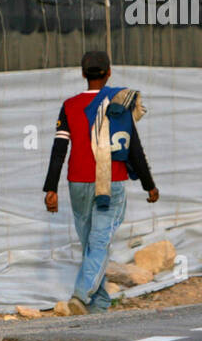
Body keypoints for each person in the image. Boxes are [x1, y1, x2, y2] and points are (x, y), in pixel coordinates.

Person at [42, 51, 159, 314]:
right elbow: (134, 150)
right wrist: (148, 184)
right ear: (109, 73)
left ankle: (100, 303)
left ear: (83, 74)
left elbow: (59, 148)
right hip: (112, 182)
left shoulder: (70, 106)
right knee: (99, 243)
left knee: (91, 244)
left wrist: (51, 187)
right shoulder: (118, 104)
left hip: (78, 182)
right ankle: (82, 296)